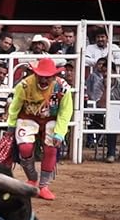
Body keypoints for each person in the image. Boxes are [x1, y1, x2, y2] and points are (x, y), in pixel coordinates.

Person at [6, 58, 73, 201]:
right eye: (41, 76)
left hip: (52, 119)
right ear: (35, 74)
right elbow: (15, 106)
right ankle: (32, 178)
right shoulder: (24, 85)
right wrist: (11, 125)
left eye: (47, 77)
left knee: (51, 148)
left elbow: (65, 112)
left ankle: (44, 186)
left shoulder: (63, 88)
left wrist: (60, 133)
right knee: (24, 148)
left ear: (54, 77)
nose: (44, 80)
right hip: (28, 116)